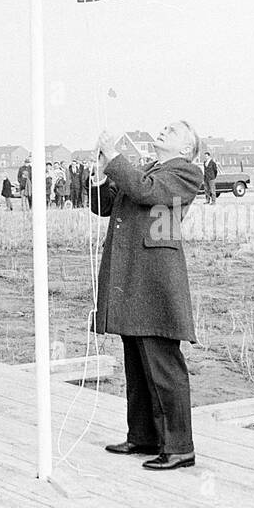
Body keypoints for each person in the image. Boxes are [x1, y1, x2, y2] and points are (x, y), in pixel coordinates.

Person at [91, 120, 204, 471]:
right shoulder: (148, 171)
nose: (162, 131)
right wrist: (99, 175)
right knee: (138, 363)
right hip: (135, 278)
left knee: (163, 365)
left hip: (155, 282)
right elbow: (104, 206)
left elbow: (145, 192)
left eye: (172, 131)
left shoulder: (185, 173)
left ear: (186, 149)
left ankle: (179, 446)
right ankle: (143, 436)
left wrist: (113, 156)